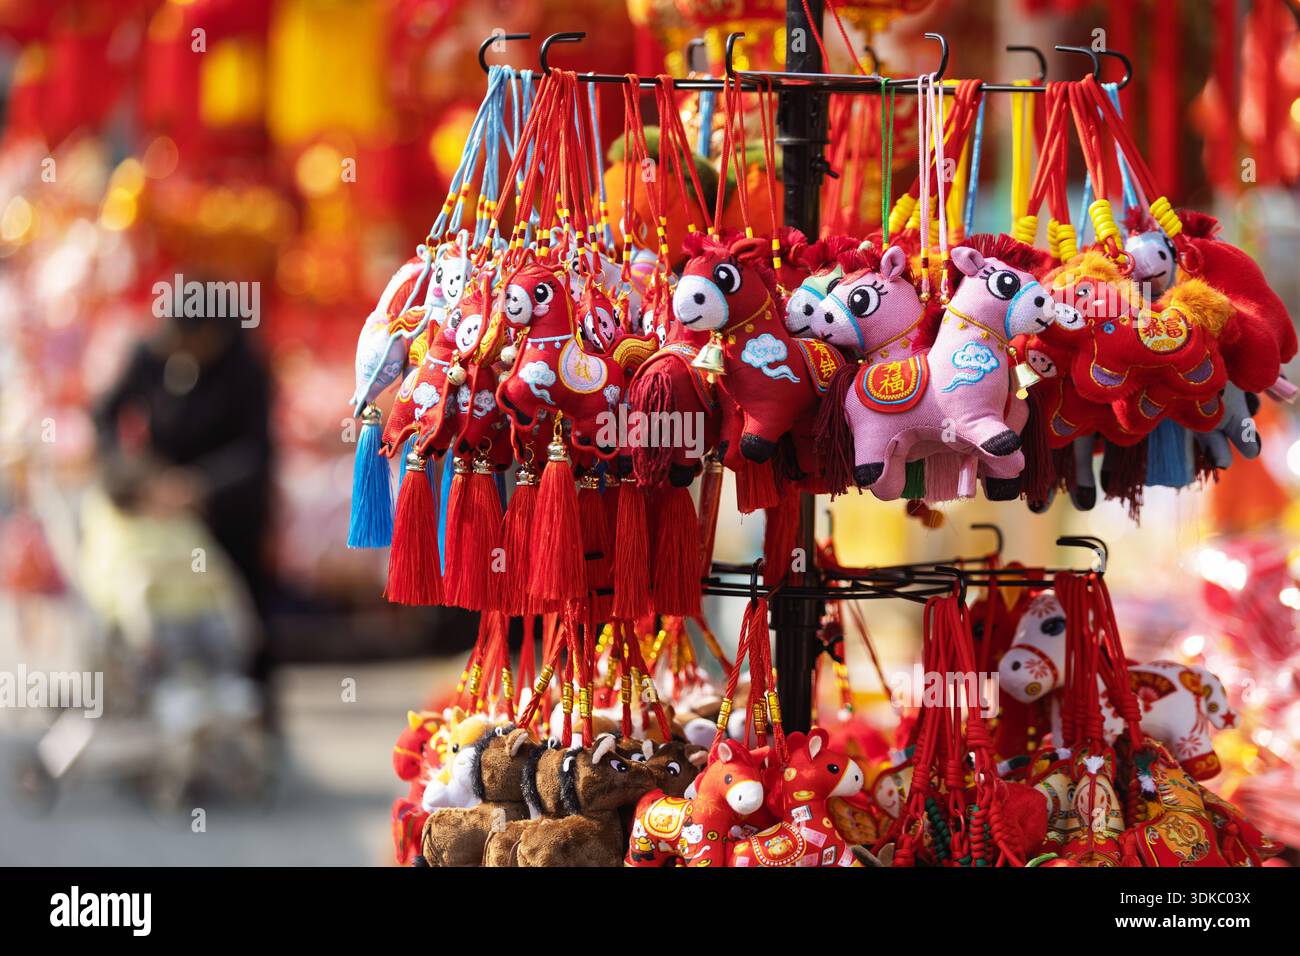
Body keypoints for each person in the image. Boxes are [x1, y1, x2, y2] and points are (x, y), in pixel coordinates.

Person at [94, 288, 275, 720]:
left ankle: (252, 720)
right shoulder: (150, 355)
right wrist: (136, 479)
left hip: (227, 509)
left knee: (238, 613)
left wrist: (201, 486)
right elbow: (105, 415)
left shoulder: (247, 370)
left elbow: (257, 453)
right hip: (161, 513)